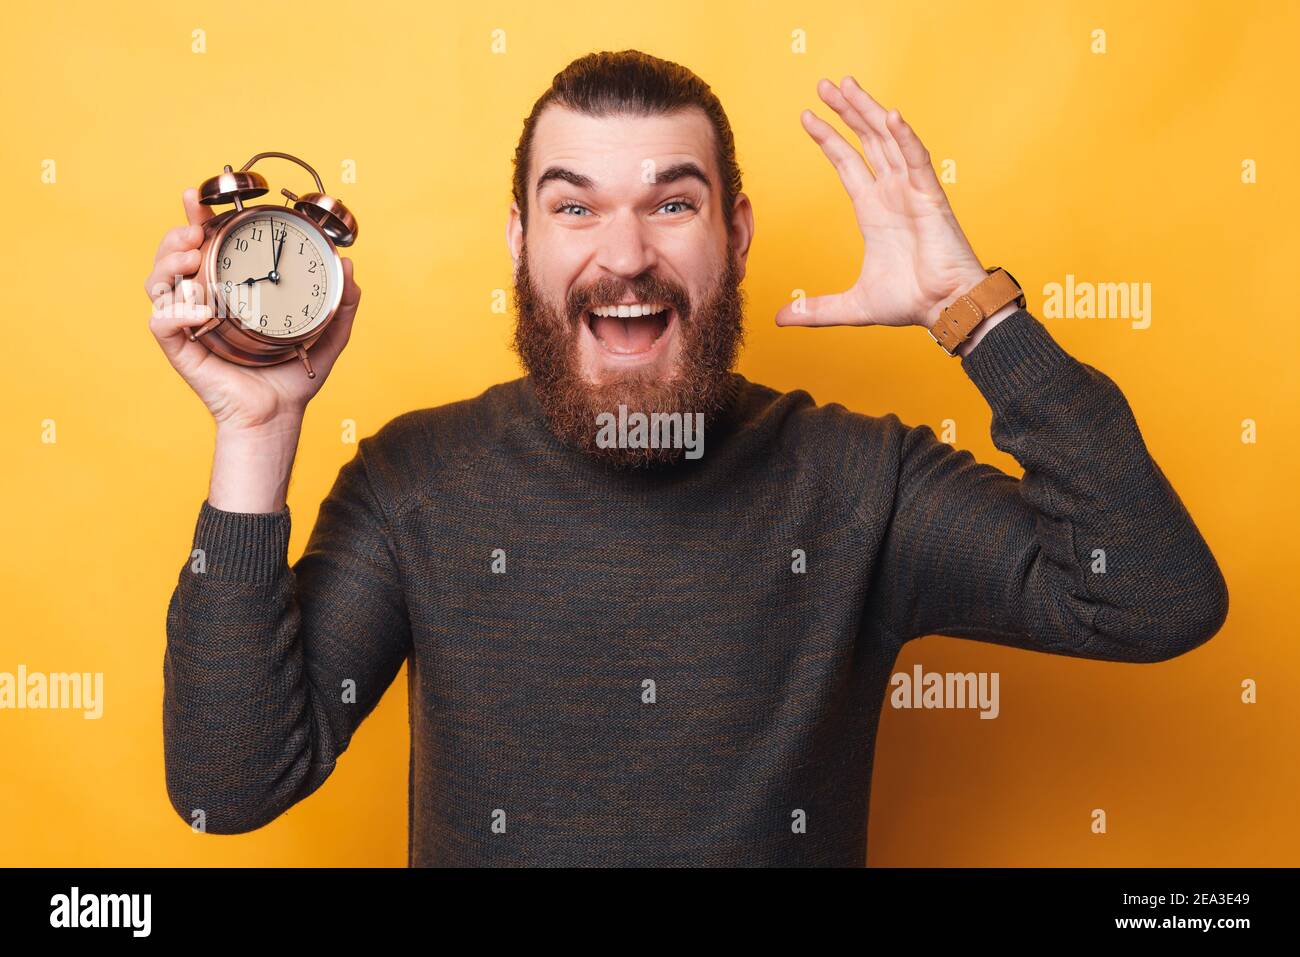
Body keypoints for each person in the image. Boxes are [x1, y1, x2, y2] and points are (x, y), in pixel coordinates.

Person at [146, 50, 1228, 866]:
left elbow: (1152, 600)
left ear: (738, 234)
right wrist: (256, 433)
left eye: (673, 203)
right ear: (521, 241)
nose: (625, 256)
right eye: (575, 208)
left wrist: (973, 315)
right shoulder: (414, 482)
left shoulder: (862, 484)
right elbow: (228, 788)